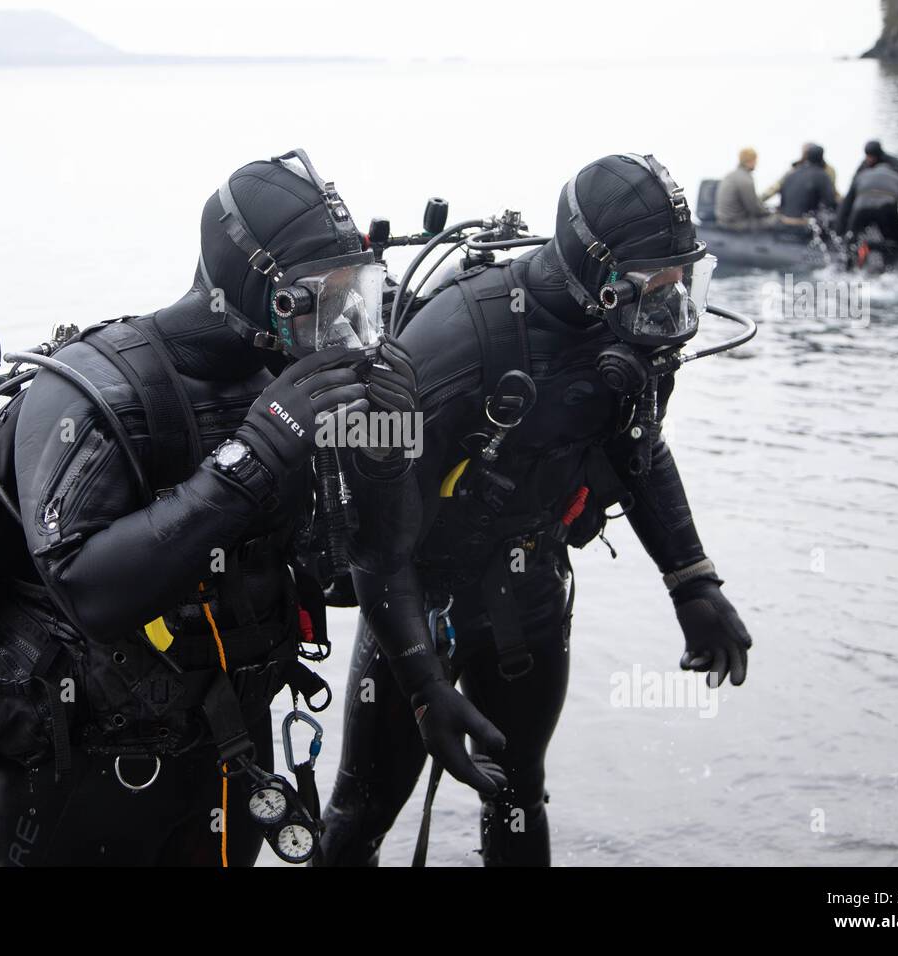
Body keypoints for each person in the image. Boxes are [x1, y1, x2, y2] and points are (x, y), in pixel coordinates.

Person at [0, 149, 488, 866]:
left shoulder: (302, 384)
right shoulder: (94, 390)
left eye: (360, 297)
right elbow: (87, 592)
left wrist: (388, 460)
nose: (347, 328)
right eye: (326, 300)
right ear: (261, 291)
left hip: (232, 749)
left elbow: (371, 558)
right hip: (86, 768)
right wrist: (250, 461)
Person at [320, 154, 754, 867]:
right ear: (599, 271)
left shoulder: (633, 329)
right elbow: (374, 540)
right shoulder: (460, 340)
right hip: (419, 603)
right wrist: (423, 684)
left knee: (519, 794)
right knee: (361, 811)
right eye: (656, 285)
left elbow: (641, 446)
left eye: (684, 282)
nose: (671, 306)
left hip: (531, 595)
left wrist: (691, 580)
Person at [836, 155, 898, 245]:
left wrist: (840, 233)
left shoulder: (860, 176)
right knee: (894, 243)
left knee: (851, 242)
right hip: (886, 212)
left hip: (860, 212)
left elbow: (844, 207)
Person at [714, 147, 774, 230]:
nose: (756, 163)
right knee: (776, 221)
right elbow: (754, 208)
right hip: (735, 224)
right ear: (750, 161)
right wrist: (770, 213)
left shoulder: (731, 175)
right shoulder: (745, 179)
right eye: (755, 160)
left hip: (722, 221)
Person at [776, 144, 838, 220]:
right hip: (803, 221)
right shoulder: (822, 175)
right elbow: (830, 201)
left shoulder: (793, 173)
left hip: (785, 218)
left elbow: (780, 193)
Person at [760, 142, 837, 202]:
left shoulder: (828, 171)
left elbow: (831, 191)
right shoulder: (795, 170)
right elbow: (776, 187)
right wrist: (759, 200)